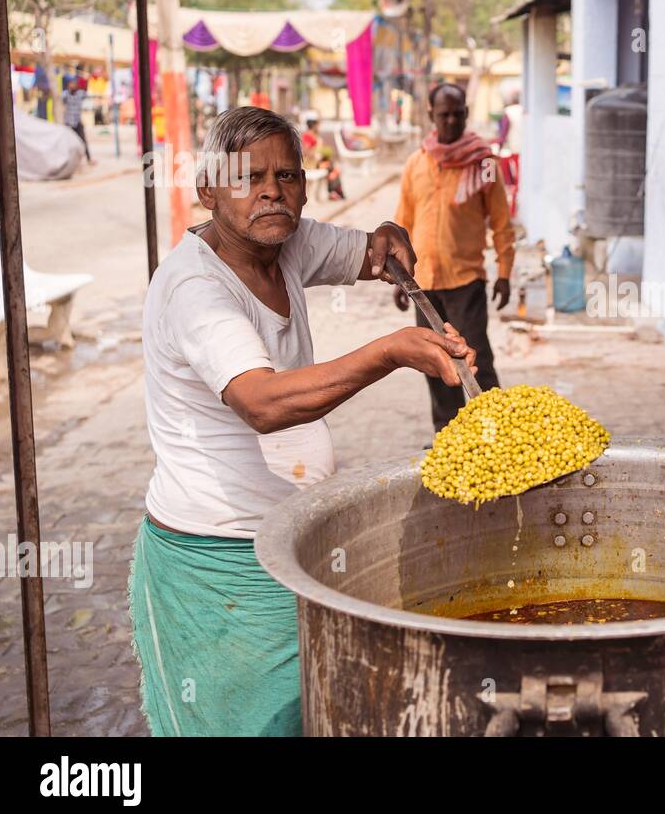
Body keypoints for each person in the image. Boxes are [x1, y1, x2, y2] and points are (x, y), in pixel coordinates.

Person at [129, 106, 477, 736]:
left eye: (287, 176)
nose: (270, 191)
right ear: (208, 191)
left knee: (301, 714)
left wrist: (391, 237)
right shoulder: (195, 288)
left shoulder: (285, 241)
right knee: (247, 724)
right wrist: (390, 351)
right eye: (249, 178)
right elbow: (263, 403)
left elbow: (371, 254)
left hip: (288, 535)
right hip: (218, 554)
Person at [393, 82, 515, 432]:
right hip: (424, 284)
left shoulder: (484, 163)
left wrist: (504, 273)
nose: (450, 121)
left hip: (466, 282)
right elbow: (403, 223)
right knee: (435, 363)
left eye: (457, 114)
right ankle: (449, 439)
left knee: (478, 361)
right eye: (443, 114)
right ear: (431, 115)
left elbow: (502, 222)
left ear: (466, 114)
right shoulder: (417, 162)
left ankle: (494, 435)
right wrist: (400, 276)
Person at [300, 113, 345, 200]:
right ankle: (335, 191)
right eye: (317, 125)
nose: (319, 127)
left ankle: (334, 191)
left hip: (318, 162)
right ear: (313, 125)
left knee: (333, 169)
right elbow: (305, 152)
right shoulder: (308, 136)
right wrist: (317, 154)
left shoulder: (315, 135)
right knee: (332, 169)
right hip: (311, 163)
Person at [62, 78, 91, 164]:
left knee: (83, 141)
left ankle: (89, 159)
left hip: (77, 122)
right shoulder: (65, 94)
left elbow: (86, 91)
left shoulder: (80, 94)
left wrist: (85, 80)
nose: (73, 85)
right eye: (71, 84)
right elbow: (61, 98)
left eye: (74, 83)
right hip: (68, 123)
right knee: (68, 143)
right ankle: (68, 160)